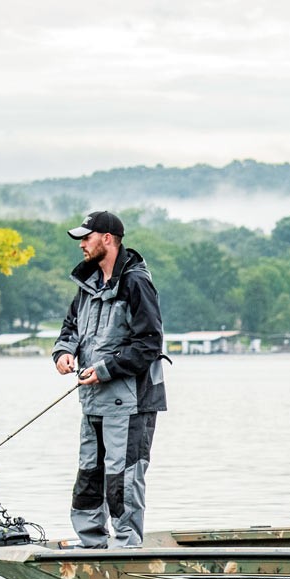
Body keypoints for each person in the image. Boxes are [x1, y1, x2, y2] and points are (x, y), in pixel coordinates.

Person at [52, 210, 167, 548]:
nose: (82, 245)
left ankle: (126, 547)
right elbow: (70, 327)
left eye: (86, 238)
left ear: (107, 239)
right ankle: (91, 542)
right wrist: (63, 353)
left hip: (131, 401)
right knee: (90, 473)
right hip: (93, 402)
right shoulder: (87, 284)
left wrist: (103, 370)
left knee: (124, 477)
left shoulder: (136, 282)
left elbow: (148, 345)